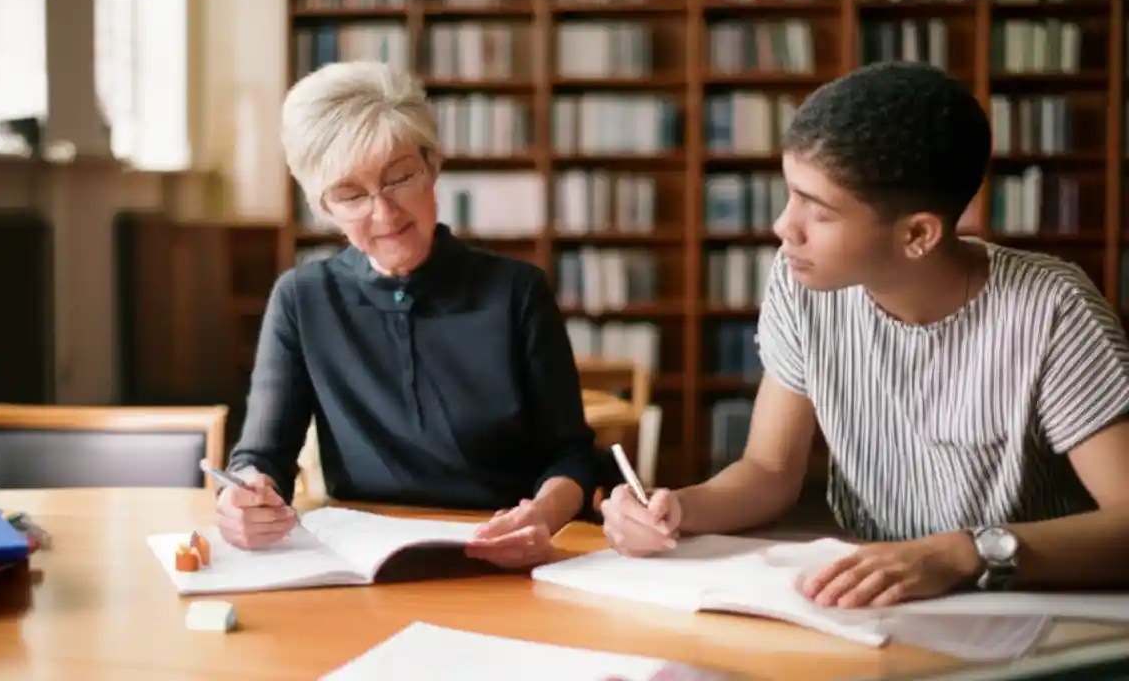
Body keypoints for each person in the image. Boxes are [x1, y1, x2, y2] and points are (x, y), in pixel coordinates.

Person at [601, 61, 1129, 607]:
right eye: (791, 194)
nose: (785, 227)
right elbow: (769, 470)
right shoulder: (800, 282)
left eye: (819, 211)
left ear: (917, 234)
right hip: (883, 607)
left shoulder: (1052, 308)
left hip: (1030, 608)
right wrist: (677, 509)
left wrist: (960, 553)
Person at [216, 60, 597, 569]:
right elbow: (263, 456)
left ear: (433, 165)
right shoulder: (302, 298)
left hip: (503, 556)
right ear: (324, 207)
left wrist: (543, 514)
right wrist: (245, 497)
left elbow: (572, 455)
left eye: (399, 178)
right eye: (351, 195)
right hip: (364, 562)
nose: (384, 213)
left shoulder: (516, 292)